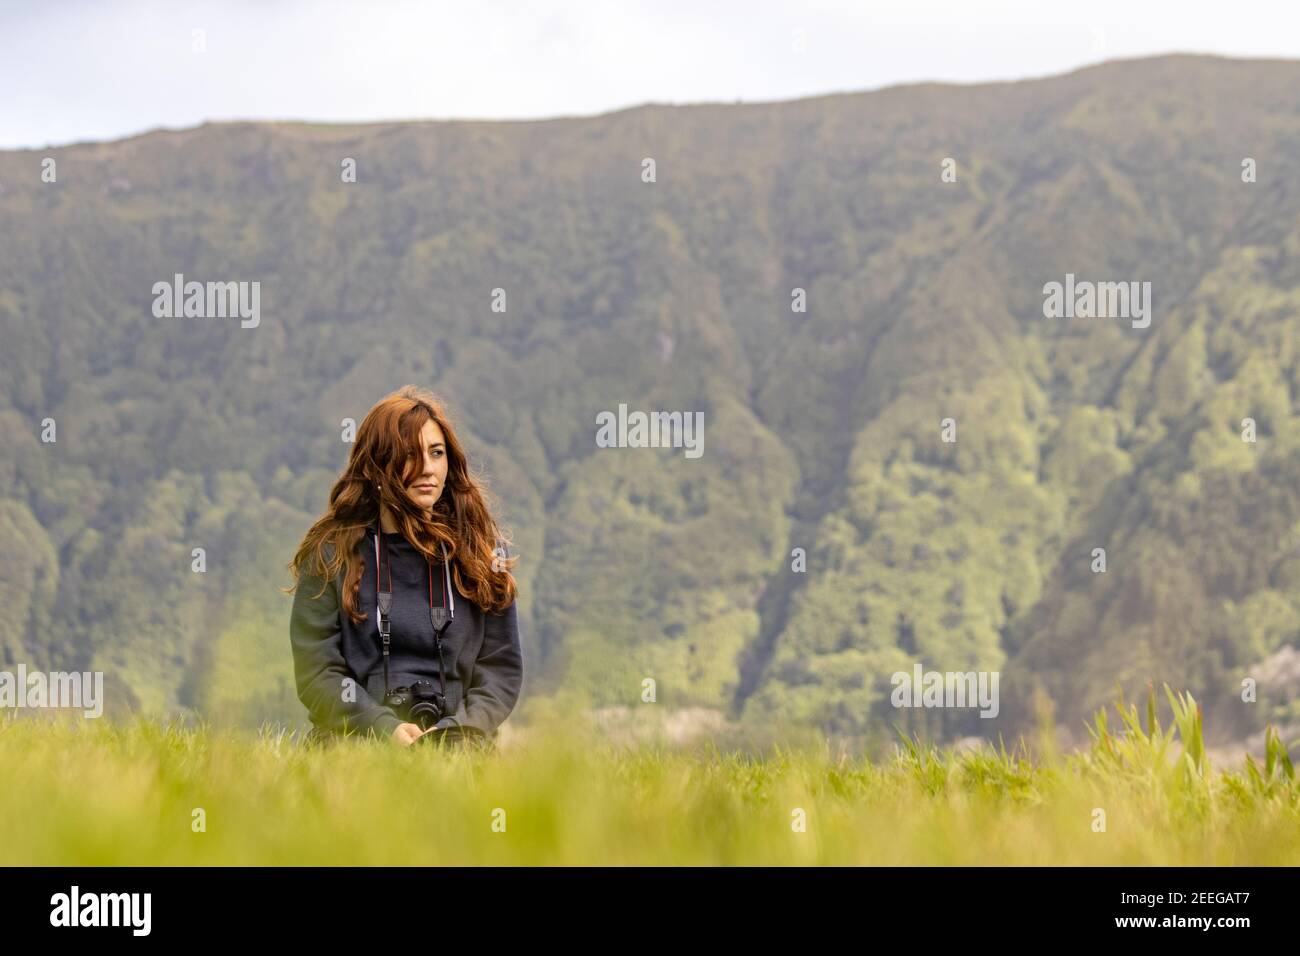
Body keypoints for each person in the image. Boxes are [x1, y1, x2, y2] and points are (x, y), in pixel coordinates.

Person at [283, 385, 523, 748]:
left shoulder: (482, 556)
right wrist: (382, 727)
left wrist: (457, 731)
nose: (428, 468)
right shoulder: (331, 556)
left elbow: (500, 671)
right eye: (410, 454)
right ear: (377, 464)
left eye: (437, 453)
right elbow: (318, 673)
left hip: (460, 745)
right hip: (354, 742)